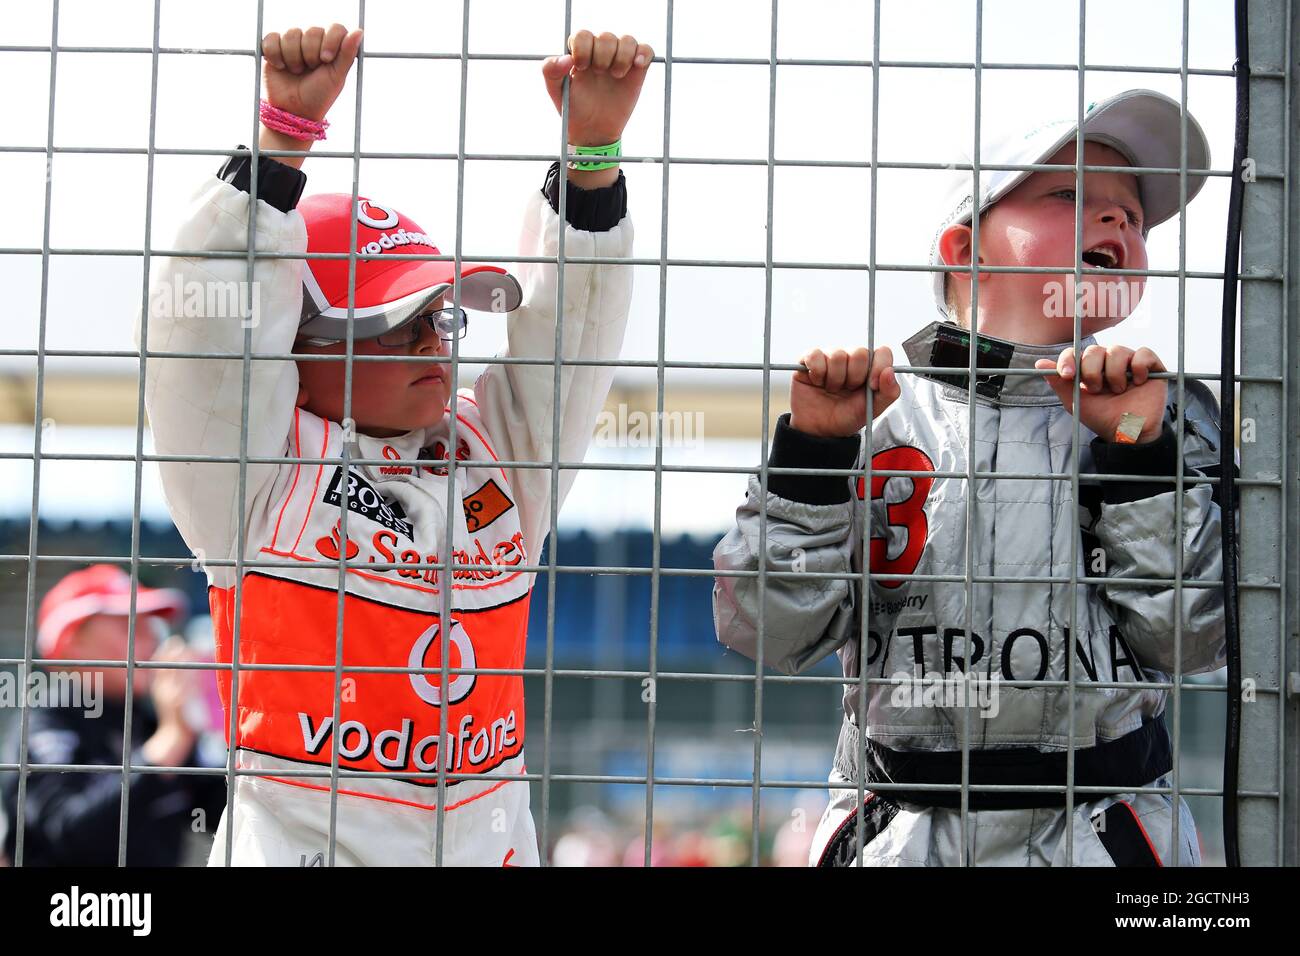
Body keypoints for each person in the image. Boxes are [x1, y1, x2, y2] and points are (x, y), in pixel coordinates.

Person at [138, 23, 650, 866]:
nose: (434, 345)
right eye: (393, 326)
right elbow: (204, 347)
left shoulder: (499, 459)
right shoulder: (253, 482)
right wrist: (279, 144)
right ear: (294, 346)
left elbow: (573, 340)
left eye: (439, 317)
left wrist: (592, 155)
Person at [712, 90, 1228, 866]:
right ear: (964, 250)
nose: (1121, 221)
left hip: (1104, 834)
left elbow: (1194, 640)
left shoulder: (1160, 418)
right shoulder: (868, 412)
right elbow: (768, 633)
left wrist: (1132, 448)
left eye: (1137, 216)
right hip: (901, 833)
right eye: (1073, 195)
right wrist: (815, 454)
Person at [0, 564, 225, 866]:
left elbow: (224, 814)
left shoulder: (150, 721)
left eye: (151, 626)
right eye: (131, 627)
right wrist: (170, 743)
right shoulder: (47, 721)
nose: (152, 640)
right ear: (73, 645)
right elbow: (73, 832)